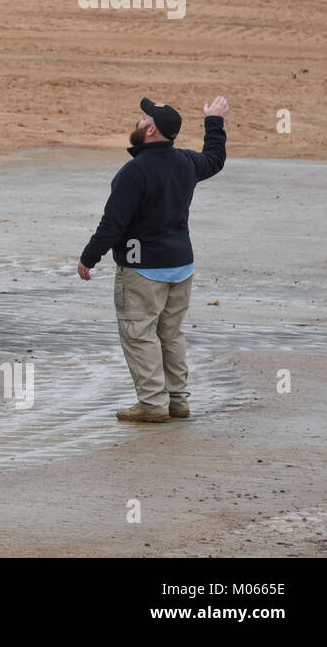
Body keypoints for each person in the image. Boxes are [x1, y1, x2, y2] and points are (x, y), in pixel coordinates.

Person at [77, 96, 228, 422]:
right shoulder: (185, 162)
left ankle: (152, 404)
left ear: (151, 130)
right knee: (170, 334)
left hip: (143, 271)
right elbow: (214, 159)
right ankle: (177, 401)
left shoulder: (134, 172)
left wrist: (89, 257)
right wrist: (214, 121)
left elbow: (112, 224)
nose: (138, 120)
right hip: (181, 267)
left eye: (143, 118)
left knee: (139, 333)